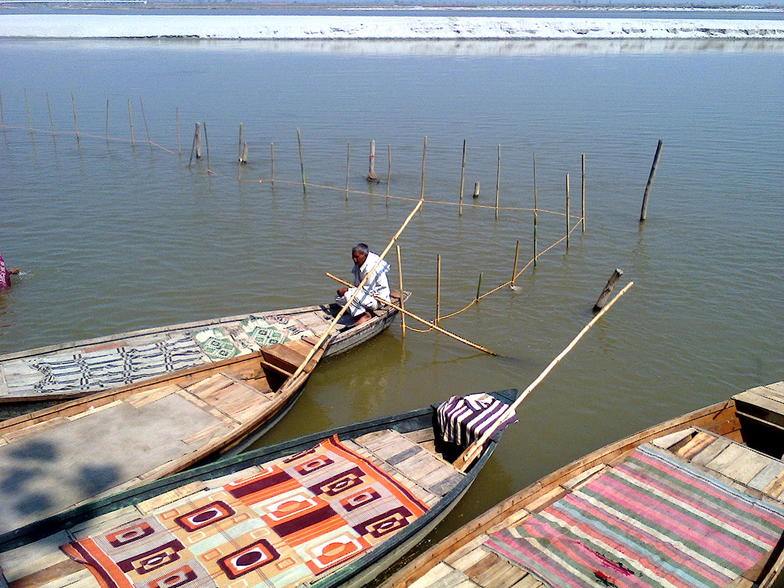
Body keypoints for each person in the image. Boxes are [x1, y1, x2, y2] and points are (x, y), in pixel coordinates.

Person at [335, 243, 391, 325]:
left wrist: (348, 290)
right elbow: (358, 285)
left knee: (348, 295)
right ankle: (359, 311)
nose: (354, 259)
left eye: (357, 257)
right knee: (338, 298)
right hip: (366, 296)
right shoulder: (360, 263)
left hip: (377, 300)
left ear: (364, 255)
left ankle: (365, 316)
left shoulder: (371, 268)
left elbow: (368, 291)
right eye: (353, 257)